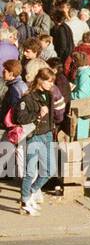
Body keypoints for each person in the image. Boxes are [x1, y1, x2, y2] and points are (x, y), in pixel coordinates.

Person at [15, 67, 57, 215]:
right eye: (49, 81)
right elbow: (19, 118)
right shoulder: (28, 97)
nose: (51, 84)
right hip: (35, 136)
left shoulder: (49, 95)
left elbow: (52, 115)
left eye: (52, 82)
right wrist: (37, 114)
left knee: (50, 170)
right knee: (30, 170)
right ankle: (25, 201)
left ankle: (30, 192)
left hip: (48, 135)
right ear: (40, 80)